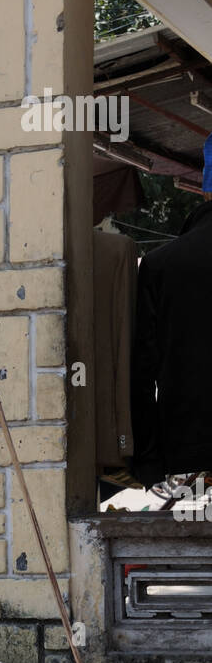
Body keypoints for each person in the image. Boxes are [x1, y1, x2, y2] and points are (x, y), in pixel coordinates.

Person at [130, 131, 212, 487]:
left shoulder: (161, 265)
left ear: (205, 188)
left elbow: (141, 371)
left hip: (189, 444)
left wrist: (148, 458)